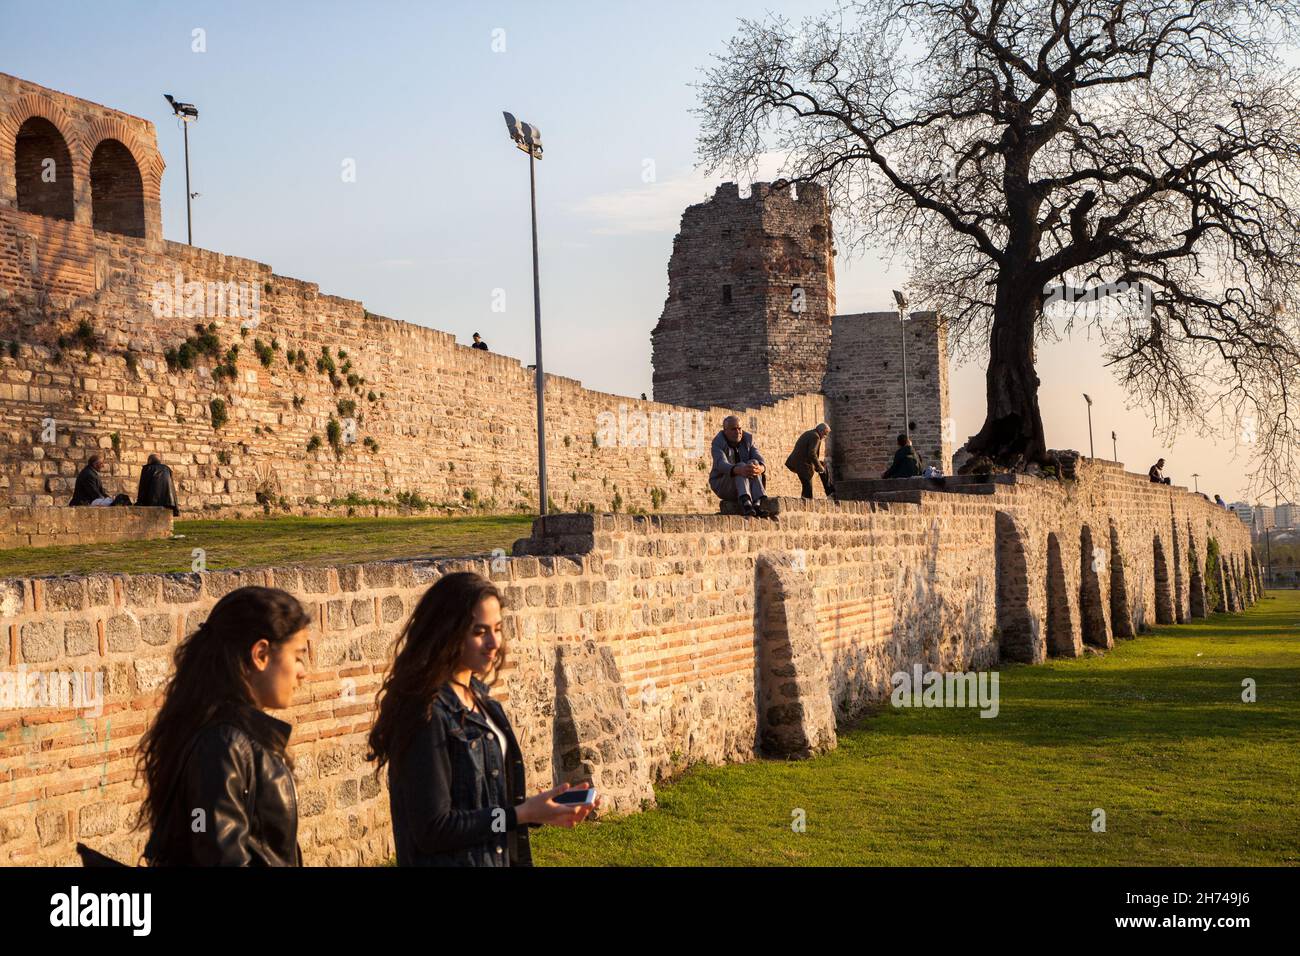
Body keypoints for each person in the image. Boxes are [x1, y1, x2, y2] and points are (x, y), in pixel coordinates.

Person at [368, 572, 597, 866]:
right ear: (447, 632)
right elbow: (433, 831)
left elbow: (487, 811)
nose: (493, 643)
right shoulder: (426, 713)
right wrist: (520, 814)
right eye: (479, 632)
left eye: (497, 629)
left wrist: (540, 810)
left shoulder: (483, 702)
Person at [136, 586, 311, 866]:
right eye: (298, 655)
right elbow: (218, 854)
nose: (303, 671)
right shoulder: (224, 745)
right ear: (261, 654)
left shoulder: (229, 737)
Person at [709, 415, 773, 518]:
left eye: (739, 428)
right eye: (733, 429)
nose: (738, 431)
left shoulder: (748, 439)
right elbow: (721, 464)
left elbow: (760, 460)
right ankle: (745, 502)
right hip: (724, 484)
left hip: (748, 482)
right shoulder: (717, 443)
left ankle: (757, 502)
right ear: (725, 431)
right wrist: (738, 469)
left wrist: (760, 468)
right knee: (741, 466)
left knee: (754, 462)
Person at [785, 423, 834, 499]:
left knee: (822, 466)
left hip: (798, 462)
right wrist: (819, 467)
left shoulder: (810, 433)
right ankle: (829, 492)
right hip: (803, 464)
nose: (825, 437)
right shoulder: (816, 437)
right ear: (821, 431)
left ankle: (830, 491)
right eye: (825, 434)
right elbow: (812, 453)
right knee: (808, 488)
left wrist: (819, 466)